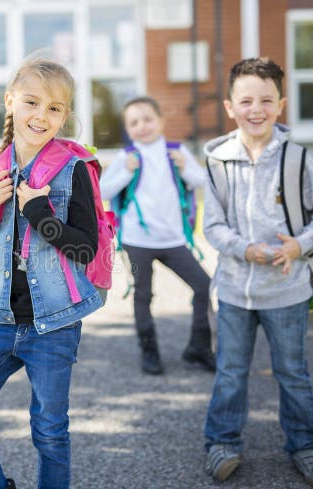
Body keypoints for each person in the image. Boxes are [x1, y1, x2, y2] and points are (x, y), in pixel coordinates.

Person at [0, 54, 101, 489]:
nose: (41, 115)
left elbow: (86, 248)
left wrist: (40, 213)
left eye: (54, 108)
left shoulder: (73, 170)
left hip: (54, 325)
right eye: (31, 102)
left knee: (49, 431)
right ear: (10, 102)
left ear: (65, 115)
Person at [202, 58, 313, 487]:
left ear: (280, 105)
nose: (256, 109)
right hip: (233, 291)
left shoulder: (298, 159)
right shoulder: (217, 160)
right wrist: (244, 248)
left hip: (287, 290)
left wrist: (301, 244)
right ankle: (221, 443)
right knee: (230, 370)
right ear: (230, 106)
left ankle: (306, 445)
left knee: (292, 371)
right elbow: (212, 225)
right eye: (246, 100)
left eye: (266, 100)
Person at [100, 96, 215, 375]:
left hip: (173, 240)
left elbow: (203, 182)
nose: (142, 126)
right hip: (137, 241)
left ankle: (198, 348)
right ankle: (149, 350)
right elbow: (103, 192)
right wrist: (126, 173)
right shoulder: (127, 157)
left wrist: (184, 167)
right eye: (134, 122)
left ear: (161, 121)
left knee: (203, 285)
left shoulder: (177, 151)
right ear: (128, 128)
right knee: (143, 294)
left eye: (148, 119)